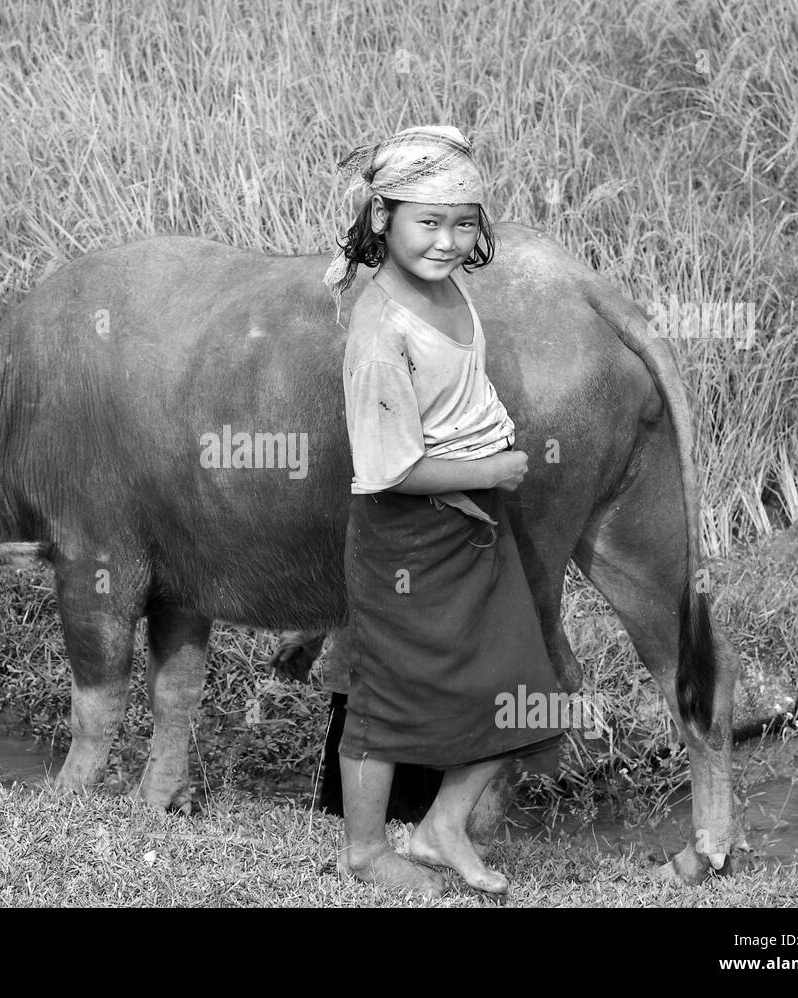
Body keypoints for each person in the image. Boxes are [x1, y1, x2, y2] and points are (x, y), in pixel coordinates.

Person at [323, 125, 564, 899]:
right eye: (429, 221)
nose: (450, 241)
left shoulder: (449, 289)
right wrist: (495, 465)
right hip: (409, 541)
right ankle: (365, 852)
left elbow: (458, 390)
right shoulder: (380, 329)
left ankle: (441, 824)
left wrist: (487, 475)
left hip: (471, 525)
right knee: (388, 697)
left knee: (530, 685)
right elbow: (389, 470)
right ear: (382, 218)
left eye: (465, 222)